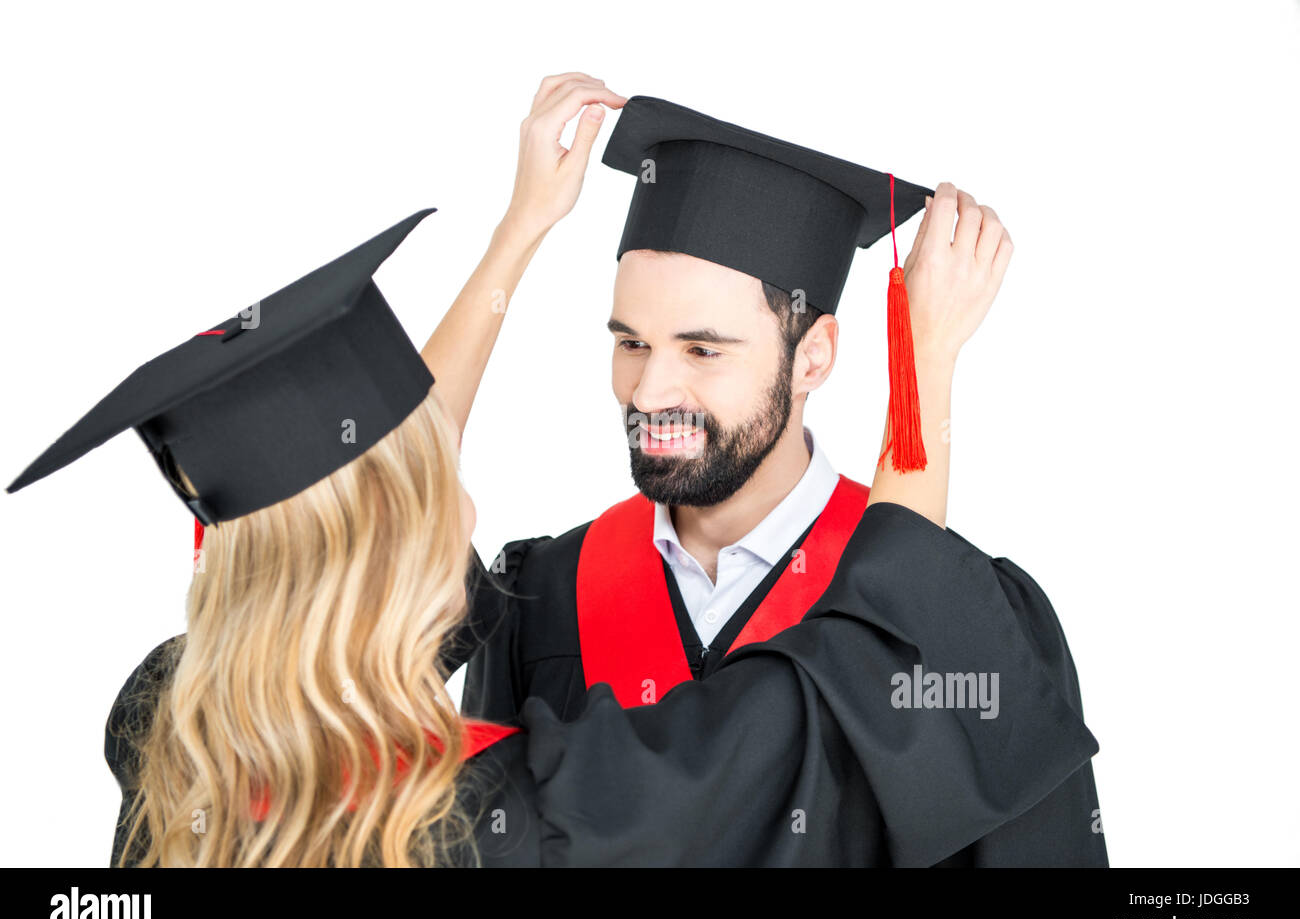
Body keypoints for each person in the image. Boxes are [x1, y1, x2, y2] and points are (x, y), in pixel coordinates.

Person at [7, 208, 1103, 867]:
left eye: (701, 348)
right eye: (628, 342)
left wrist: (521, 229)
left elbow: (333, 575)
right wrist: (926, 362)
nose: (473, 513)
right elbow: (865, 663)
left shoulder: (166, 732)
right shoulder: (517, 812)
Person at [422, 78, 1105, 863]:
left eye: (702, 349)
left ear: (812, 356)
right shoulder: (543, 597)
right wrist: (523, 223)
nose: (648, 391)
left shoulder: (969, 625)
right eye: (631, 342)